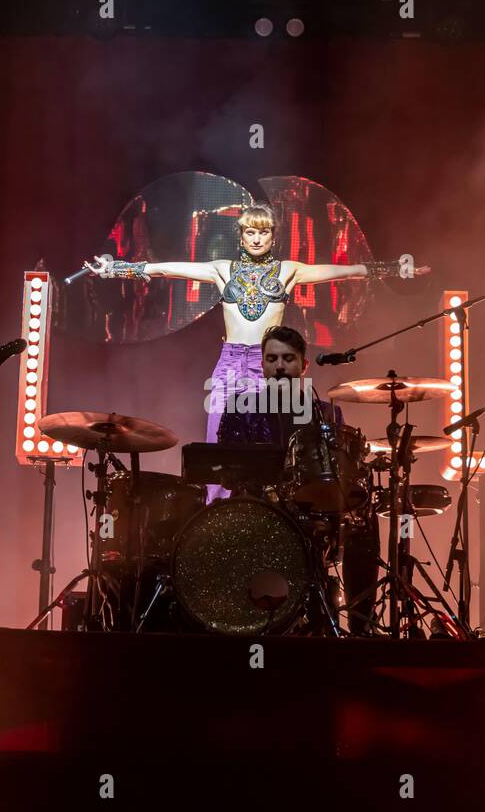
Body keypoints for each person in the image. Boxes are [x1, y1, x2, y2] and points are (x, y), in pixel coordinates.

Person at [84, 202, 428, 502]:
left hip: (270, 367)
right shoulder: (222, 269)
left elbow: (344, 272)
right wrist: (114, 268)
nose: (257, 239)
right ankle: (217, 512)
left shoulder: (288, 270)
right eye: (250, 232)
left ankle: (269, 508)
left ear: (272, 236)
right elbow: (166, 268)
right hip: (231, 362)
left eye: (263, 233)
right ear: (242, 235)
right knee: (219, 442)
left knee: (272, 441)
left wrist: (395, 268)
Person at [217, 324, 380, 635]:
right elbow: (225, 472)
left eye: (288, 358)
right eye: (272, 358)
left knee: (364, 518)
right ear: (262, 364)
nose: (279, 366)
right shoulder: (240, 409)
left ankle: (362, 625)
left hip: (312, 509)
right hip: (258, 510)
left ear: (304, 365)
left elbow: (337, 470)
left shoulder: (324, 412)